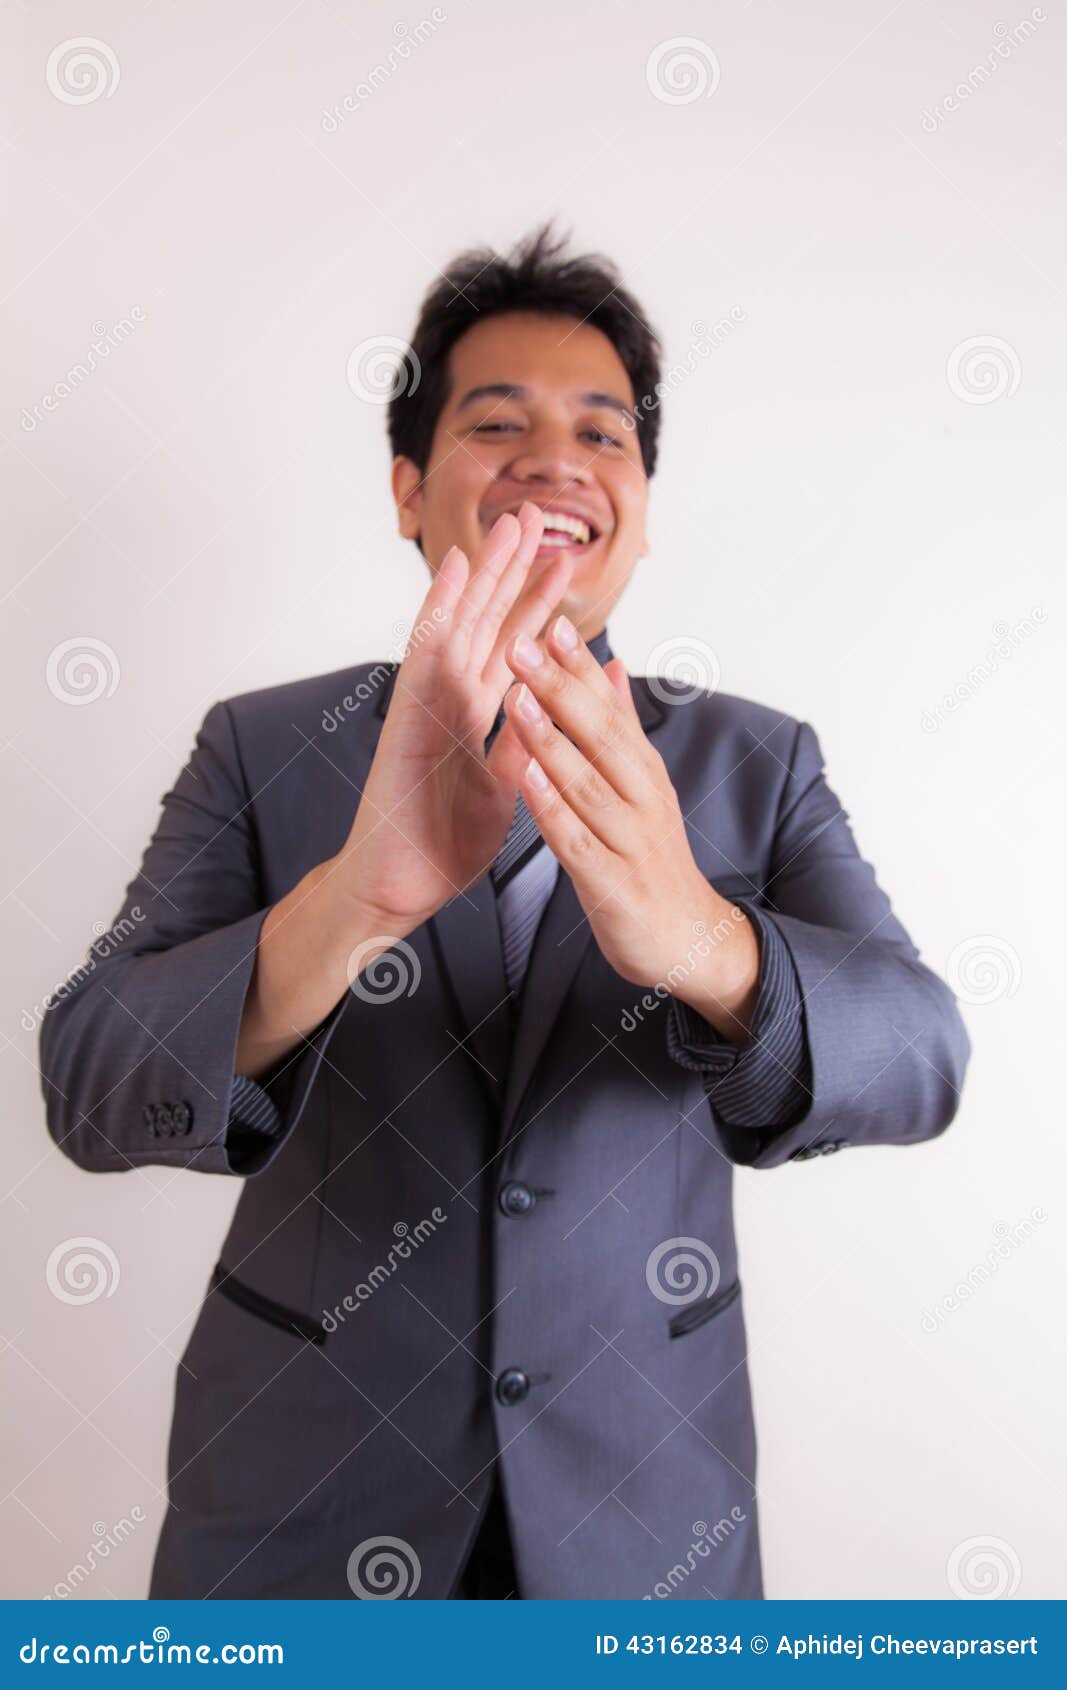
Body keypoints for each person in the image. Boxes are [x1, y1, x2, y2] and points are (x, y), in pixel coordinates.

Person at [38, 226, 970, 1601]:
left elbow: (924, 1057)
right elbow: (88, 1080)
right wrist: (350, 905)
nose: (555, 462)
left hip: (644, 1518)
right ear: (409, 491)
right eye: (496, 424)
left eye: (603, 434)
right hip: (301, 1514)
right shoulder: (264, 746)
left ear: (640, 509)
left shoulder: (756, 764)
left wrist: (701, 939)